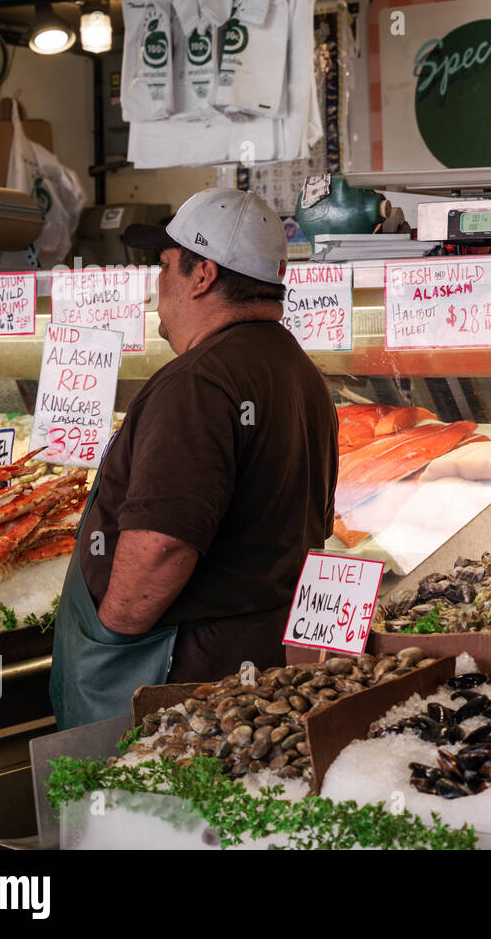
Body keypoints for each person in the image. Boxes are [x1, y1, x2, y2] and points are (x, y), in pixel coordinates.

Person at [50, 188, 337, 730]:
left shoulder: (198, 382)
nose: (156, 285)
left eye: (164, 266)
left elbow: (162, 543)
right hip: (256, 663)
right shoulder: (297, 369)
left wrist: (110, 640)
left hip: (178, 678)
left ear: (201, 276)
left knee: (146, 810)